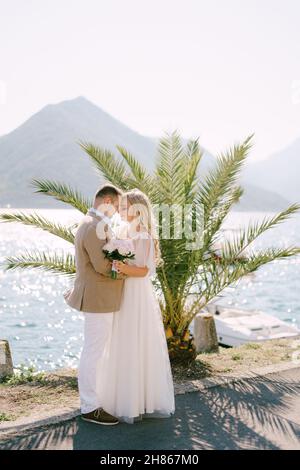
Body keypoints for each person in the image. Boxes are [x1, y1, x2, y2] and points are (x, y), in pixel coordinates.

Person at [95, 189, 175, 424]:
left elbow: (145, 271)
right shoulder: (122, 231)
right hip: (122, 291)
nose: (119, 211)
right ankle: (120, 396)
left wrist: (120, 267)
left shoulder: (144, 237)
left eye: (123, 207)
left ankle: (138, 400)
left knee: (135, 342)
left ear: (137, 210)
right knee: (120, 341)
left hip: (137, 295)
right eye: (119, 207)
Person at [64, 183, 124, 425]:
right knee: (93, 351)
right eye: (117, 206)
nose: (118, 212)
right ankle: (89, 407)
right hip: (97, 298)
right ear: (107, 202)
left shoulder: (94, 224)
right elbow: (102, 266)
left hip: (101, 297)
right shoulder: (93, 226)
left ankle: (95, 399)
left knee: (97, 350)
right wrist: (129, 271)